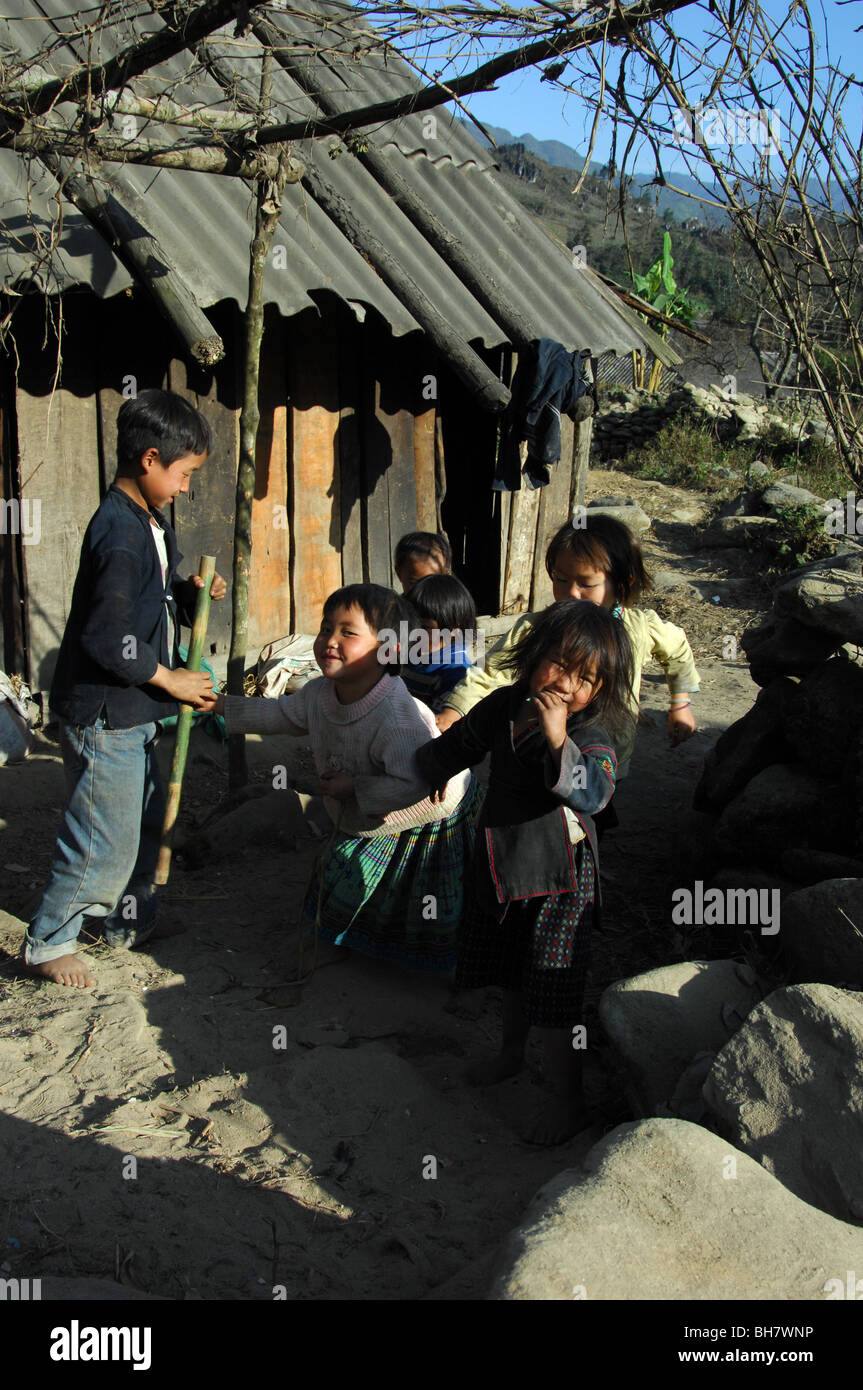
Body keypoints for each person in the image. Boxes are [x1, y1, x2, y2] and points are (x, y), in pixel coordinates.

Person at [24, 389, 226, 987]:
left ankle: (128, 922)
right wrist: (171, 678)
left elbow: (150, 604)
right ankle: (49, 940)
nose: (187, 487)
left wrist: (190, 595)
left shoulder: (151, 521)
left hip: (136, 711)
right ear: (150, 459)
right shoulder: (118, 533)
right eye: (184, 474)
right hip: (105, 714)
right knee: (101, 839)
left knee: (141, 823)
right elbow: (108, 639)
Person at [416, 600, 634, 1145]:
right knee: (513, 973)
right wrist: (412, 771)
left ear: (600, 691)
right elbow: (454, 750)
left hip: (562, 878)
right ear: (533, 653)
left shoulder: (593, 732)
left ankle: (569, 1102)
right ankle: (511, 1055)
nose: (567, 684)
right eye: (560, 664)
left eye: (586, 678)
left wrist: (560, 737)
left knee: (554, 994)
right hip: (505, 861)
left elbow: (594, 792)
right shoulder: (503, 706)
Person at [205, 583, 480, 973]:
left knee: (376, 881)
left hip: (426, 809)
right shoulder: (320, 693)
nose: (329, 641)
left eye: (348, 632)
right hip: (371, 802)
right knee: (343, 873)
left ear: (391, 649)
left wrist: (355, 788)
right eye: (325, 628)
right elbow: (278, 716)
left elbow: (412, 784)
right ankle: (336, 940)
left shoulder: (398, 716)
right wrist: (219, 705)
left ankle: (381, 953)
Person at [436, 514, 700, 786]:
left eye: (586, 583)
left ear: (623, 581)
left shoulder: (640, 629)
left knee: (593, 807)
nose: (571, 592)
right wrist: (456, 710)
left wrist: (680, 704)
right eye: (561, 578)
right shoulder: (537, 627)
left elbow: (677, 649)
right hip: (537, 748)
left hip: (608, 756)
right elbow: (492, 673)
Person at [401, 572, 478, 713]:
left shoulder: (454, 671)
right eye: (410, 623)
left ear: (453, 629)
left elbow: (439, 723)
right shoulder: (408, 652)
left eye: (424, 627)